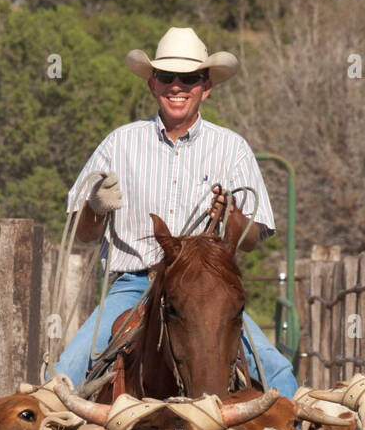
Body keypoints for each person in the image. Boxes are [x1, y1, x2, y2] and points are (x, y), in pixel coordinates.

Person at [54, 26, 297, 396]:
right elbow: (83, 233)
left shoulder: (231, 149)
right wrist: (95, 206)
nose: (177, 86)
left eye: (189, 78)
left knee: (279, 374)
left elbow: (249, 241)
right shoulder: (119, 143)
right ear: (153, 84)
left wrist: (231, 213)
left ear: (206, 87)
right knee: (66, 374)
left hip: (205, 290)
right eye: (167, 77)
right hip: (134, 284)